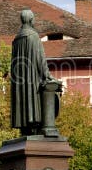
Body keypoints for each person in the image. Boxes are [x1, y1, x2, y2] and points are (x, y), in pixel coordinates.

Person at [10, 8, 60, 136]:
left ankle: (25, 126)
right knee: (34, 99)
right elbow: (40, 59)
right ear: (31, 20)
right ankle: (34, 123)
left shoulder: (16, 40)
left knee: (23, 100)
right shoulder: (33, 36)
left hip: (19, 81)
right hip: (32, 80)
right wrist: (48, 76)